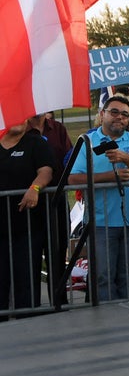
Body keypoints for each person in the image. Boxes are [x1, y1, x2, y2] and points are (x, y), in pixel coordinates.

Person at [67, 95, 129, 301]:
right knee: (103, 276)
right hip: (100, 222)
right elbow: (72, 178)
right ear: (102, 114)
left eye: (125, 114)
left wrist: (126, 158)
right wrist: (109, 177)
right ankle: (107, 320)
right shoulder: (87, 141)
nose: (119, 117)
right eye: (114, 112)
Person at [0, 121, 54, 314]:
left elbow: (46, 171)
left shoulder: (35, 143)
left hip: (28, 228)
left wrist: (35, 188)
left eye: (22, 118)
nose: (18, 122)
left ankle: (29, 324)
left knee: (26, 281)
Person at [25, 111, 72, 306]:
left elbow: (69, 157)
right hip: (28, 203)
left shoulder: (58, 129)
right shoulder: (19, 129)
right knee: (30, 255)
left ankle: (58, 302)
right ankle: (30, 304)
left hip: (56, 200)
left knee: (58, 252)